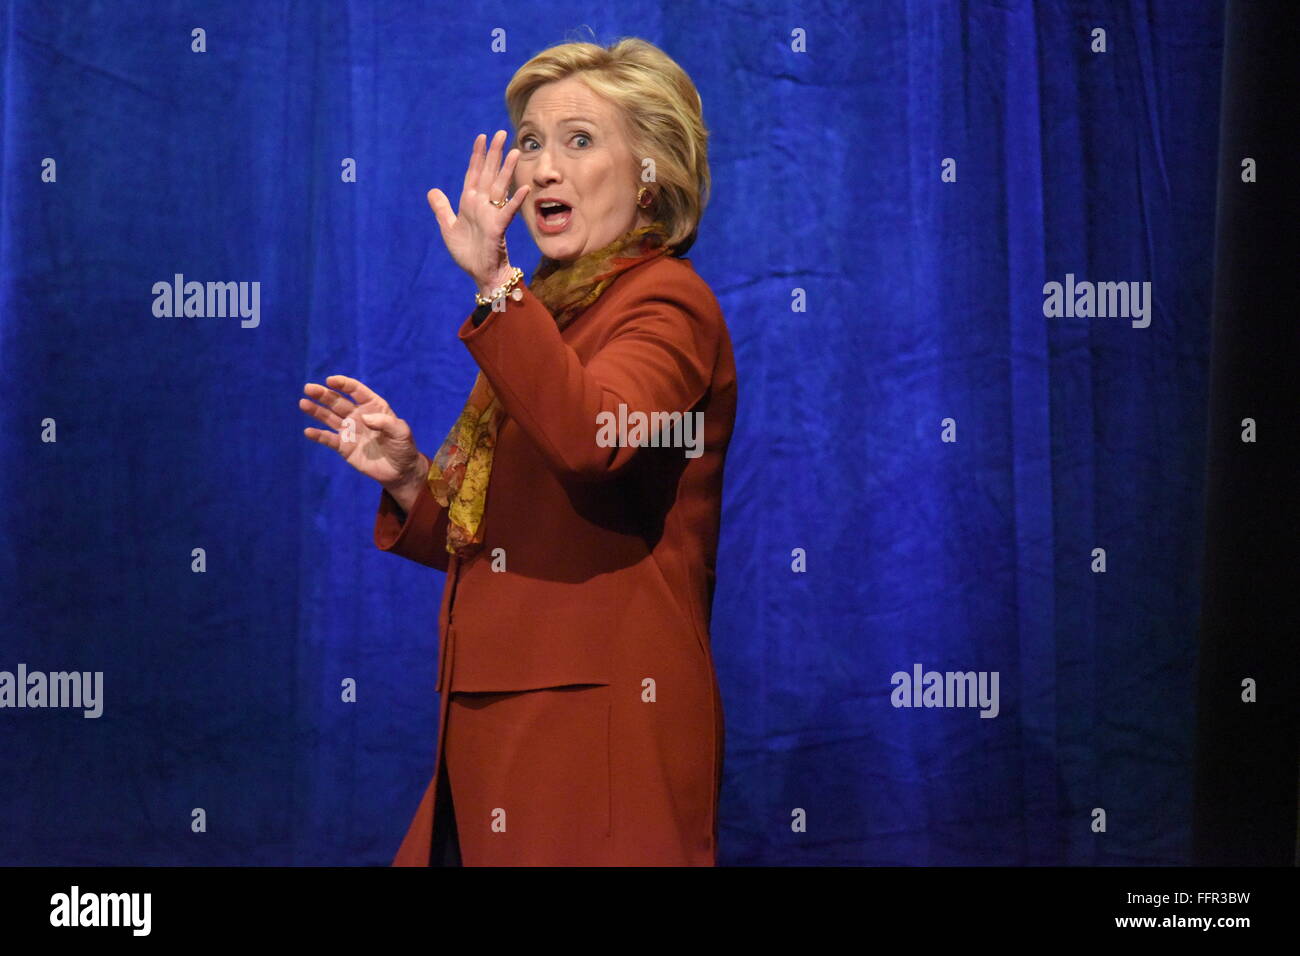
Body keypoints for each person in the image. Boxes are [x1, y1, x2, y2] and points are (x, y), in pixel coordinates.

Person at [299, 36, 737, 865]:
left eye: (578, 140)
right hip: (490, 729)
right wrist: (408, 479)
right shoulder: (551, 313)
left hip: (597, 736)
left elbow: (592, 444)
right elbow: (506, 540)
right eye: (530, 141)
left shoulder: (668, 304)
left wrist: (496, 282)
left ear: (652, 177)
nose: (539, 168)